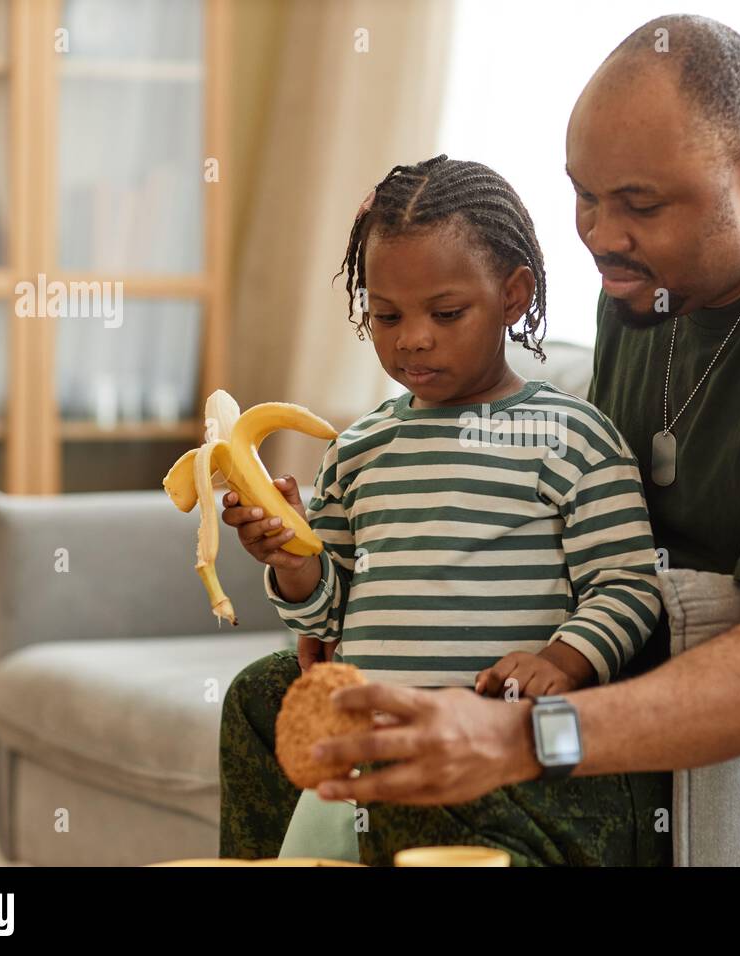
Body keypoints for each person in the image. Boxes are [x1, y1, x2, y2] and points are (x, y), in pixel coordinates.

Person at [301, 16, 740, 814]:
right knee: (270, 705)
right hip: (604, 672)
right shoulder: (646, 289)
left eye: (639, 204)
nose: (598, 237)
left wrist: (516, 737)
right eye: (583, 194)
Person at [217, 155, 669, 866]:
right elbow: (325, 621)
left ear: (514, 296)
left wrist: (567, 657)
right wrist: (293, 560)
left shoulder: (571, 436)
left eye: (446, 313)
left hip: (495, 740)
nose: (412, 338)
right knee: (255, 697)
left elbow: (629, 583)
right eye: (386, 316)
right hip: (373, 731)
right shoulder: (360, 449)